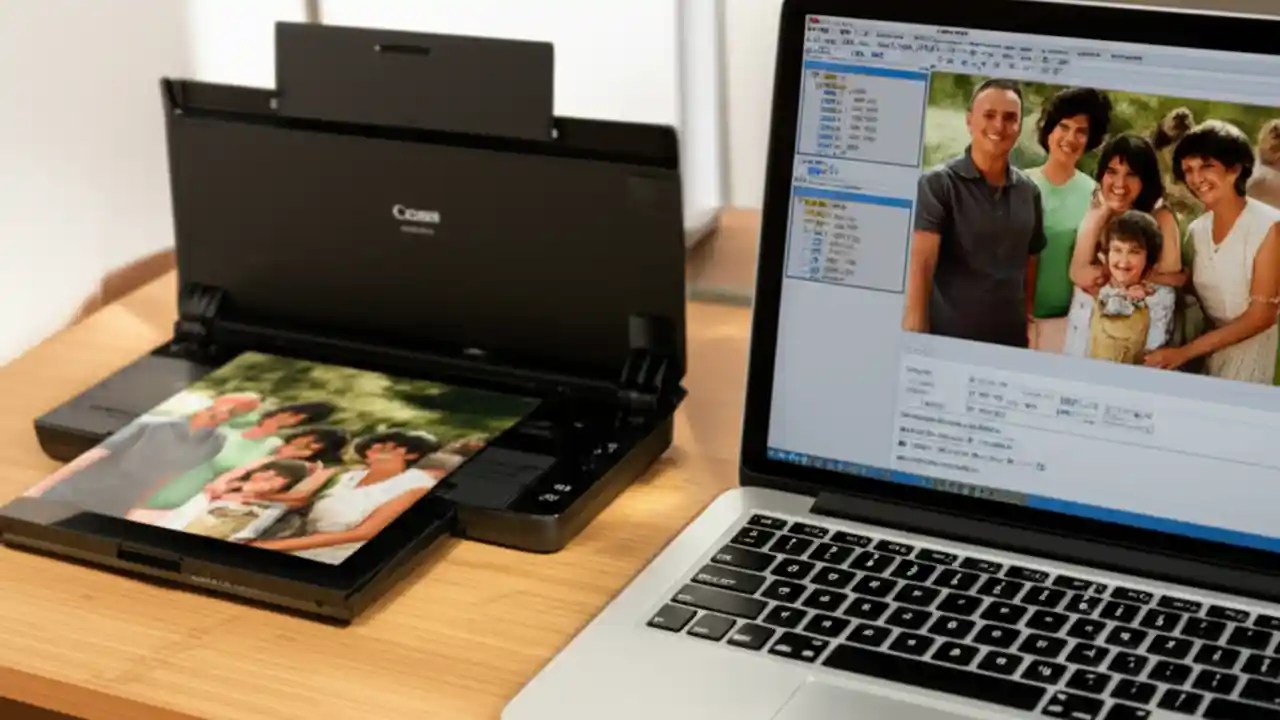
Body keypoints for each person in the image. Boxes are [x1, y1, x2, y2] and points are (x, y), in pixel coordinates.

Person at [903, 78, 1047, 348]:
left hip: (1011, 345)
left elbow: (1031, 261)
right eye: (989, 115)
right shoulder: (937, 185)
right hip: (949, 344)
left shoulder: (1030, 192)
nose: (999, 126)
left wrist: (1028, 321)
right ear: (970, 120)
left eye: (1009, 118)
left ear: (1018, 126)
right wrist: (914, 346)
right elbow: (920, 272)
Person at [1145, 120, 1280, 383]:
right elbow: (1196, 288)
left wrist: (1182, 354)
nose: (1196, 179)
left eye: (1207, 166)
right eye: (1188, 170)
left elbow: (1261, 316)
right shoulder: (1197, 230)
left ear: (1234, 169)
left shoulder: (1270, 226)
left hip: (1248, 357)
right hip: (1204, 352)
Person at [24, 393, 260, 517]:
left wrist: (135, 507)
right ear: (217, 402)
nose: (229, 413)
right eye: (231, 407)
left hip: (119, 500)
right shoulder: (152, 424)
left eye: (239, 412)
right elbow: (93, 456)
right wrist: (39, 489)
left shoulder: (214, 443)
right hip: (83, 486)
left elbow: (167, 478)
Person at [1062, 134, 1185, 357]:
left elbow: (1171, 282)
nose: (1119, 183)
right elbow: (1078, 273)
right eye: (1112, 172)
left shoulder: (1161, 218)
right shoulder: (1097, 213)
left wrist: (1106, 276)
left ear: (1145, 181)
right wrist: (1104, 213)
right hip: (1088, 337)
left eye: (1131, 175)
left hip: (1139, 344)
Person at [247, 430, 442, 563]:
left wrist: (270, 546)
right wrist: (260, 495)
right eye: (371, 445)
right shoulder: (349, 476)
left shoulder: (417, 484)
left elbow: (363, 533)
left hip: (339, 556)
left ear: (411, 454)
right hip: (301, 545)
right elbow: (304, 499)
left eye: (386, 447)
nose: (374, 449)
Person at [1025, 88, 1113, 353]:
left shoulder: (1096, 195)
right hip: (1016, 318)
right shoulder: (1019, 184)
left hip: (1070, 325)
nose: (1071, 138)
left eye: (1081, 131)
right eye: (1063, 126)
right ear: (1049, 130)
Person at [136, 401, 338, 513]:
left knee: (147, 508)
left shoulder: (273, 444)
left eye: (299, 419)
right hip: (164, 463)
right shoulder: (240, 420)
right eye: (293, 413)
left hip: (193, 482)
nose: (290, 419)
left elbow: (248, 470)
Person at [1088, 211, 1171, 364]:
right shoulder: (1095, 290)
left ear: (1149, 258)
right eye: (1117, 250)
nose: (1123, 261)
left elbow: (1155, 349)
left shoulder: (1159, 298)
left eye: (1134, 252)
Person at [163, 460, 314, 541]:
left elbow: (302, 498)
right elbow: (179, 516)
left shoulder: (274, 506)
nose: (268, 477)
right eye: (266, 471)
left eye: (280, 477)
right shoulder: (221, 489)